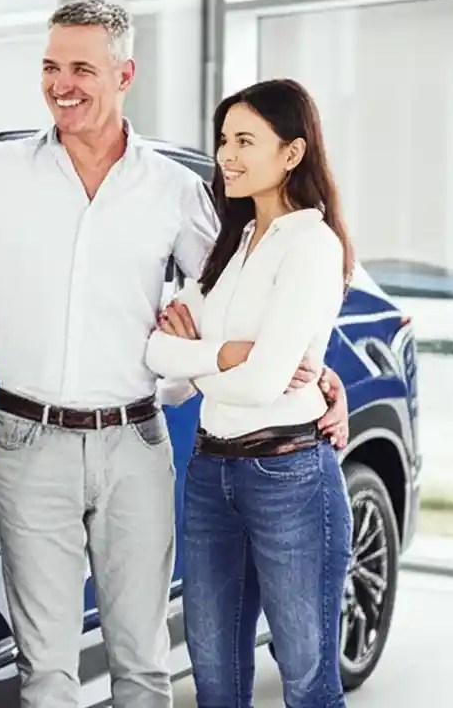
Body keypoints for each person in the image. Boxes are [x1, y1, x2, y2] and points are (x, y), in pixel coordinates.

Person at [0, 0, 347, 707]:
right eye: (50, 67)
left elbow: (242, 298)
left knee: (142, 666)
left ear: (124, 74)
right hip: (28, 443)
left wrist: (319, 374)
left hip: (135, 445)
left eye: (80, 69)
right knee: (45, 671)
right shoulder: (2, 170)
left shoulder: (173, 190)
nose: (60, 84)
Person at [144, 78, 354, 708]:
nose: (226, 156)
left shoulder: (313, 246)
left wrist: (200, 358)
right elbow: (159, 366)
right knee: (214, 682)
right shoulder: (232, 246)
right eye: (223, 140)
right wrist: (227, 356)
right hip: (211, 474)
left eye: (244, 141)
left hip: (290, 476)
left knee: (307, 682)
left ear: (292, 152)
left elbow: (262, 385)